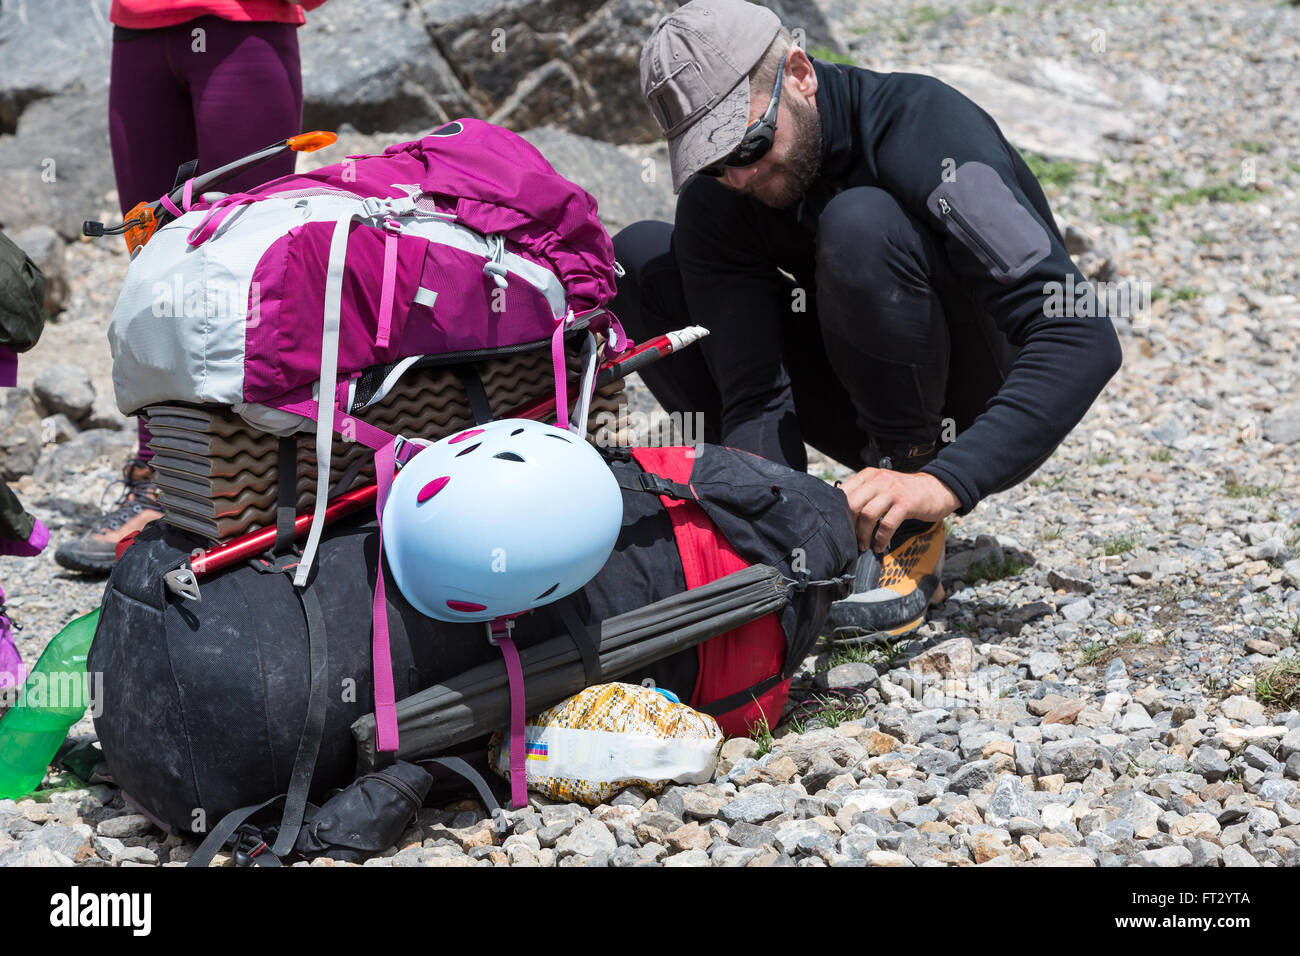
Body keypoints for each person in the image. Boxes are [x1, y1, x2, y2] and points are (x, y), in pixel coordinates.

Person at [612, 0, 1122, 642]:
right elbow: (754, 391)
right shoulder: (728, 190)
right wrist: (771, 530)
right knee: (638, 257)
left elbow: (1078, 333)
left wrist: (944, 481)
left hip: (959, 402)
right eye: (713, 160)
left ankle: (905, 514)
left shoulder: (930, 136)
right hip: (852, 385)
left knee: (859, 222)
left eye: (750, 144)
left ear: (800, 73)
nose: (739, 174)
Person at [55, 0, 327, 574]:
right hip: (138, 29)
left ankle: (251, 485)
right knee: (152, 265)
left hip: (244, 26)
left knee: (247, 259)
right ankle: (159, 480)